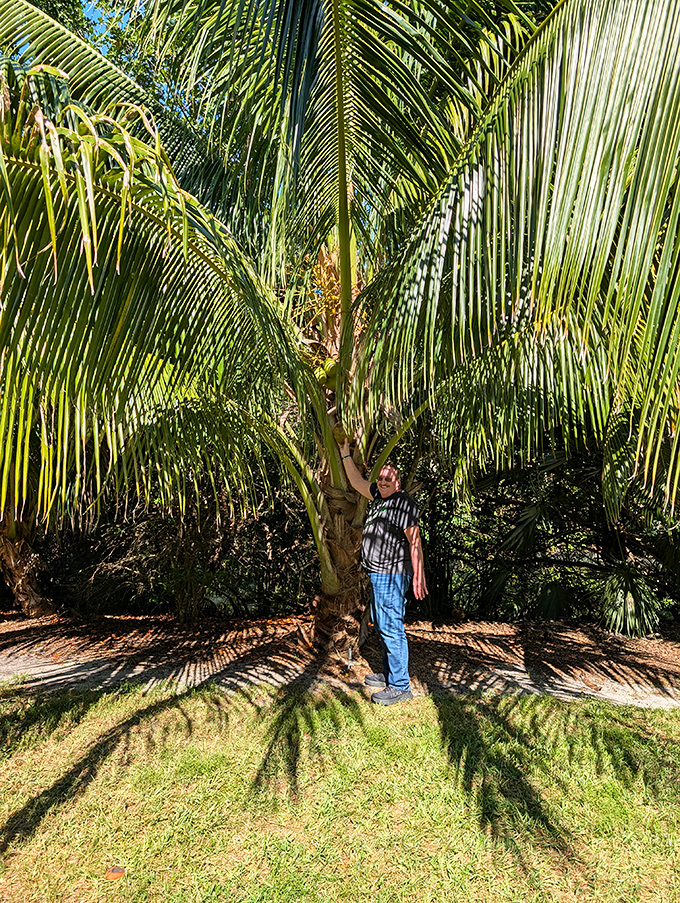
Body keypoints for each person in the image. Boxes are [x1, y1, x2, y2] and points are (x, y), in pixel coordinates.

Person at [337, 437, 427, 705]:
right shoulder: (378, 495)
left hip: (392, 574)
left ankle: (400, 686)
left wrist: (419, 575)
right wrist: (344, 455)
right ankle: (390, 675)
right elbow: (356, 482)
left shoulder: (403, 503)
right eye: (380, 479)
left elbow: (415, 540)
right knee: (382, 623)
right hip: (378, 574)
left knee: (391, 626)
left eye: (388, 479)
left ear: (397, 483)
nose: (383, 482)